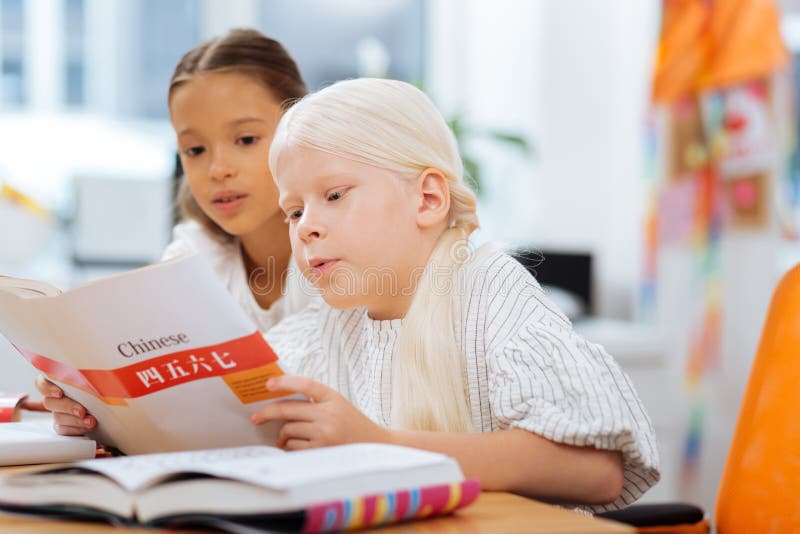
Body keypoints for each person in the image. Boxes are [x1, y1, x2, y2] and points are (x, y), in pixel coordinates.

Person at [251, 78, 660, 511]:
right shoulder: (323, 328)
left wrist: (380, 445)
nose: (305, 227)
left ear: (428, 199)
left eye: (334, 195)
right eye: (294, 211)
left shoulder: (489, 293)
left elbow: (596, 472)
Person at [33, 29, 314, 435]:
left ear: (300, 128)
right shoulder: (192, 253)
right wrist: (89, 403)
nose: (218, 169)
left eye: (246, 139)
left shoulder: (343, 255)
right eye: (195, 150)